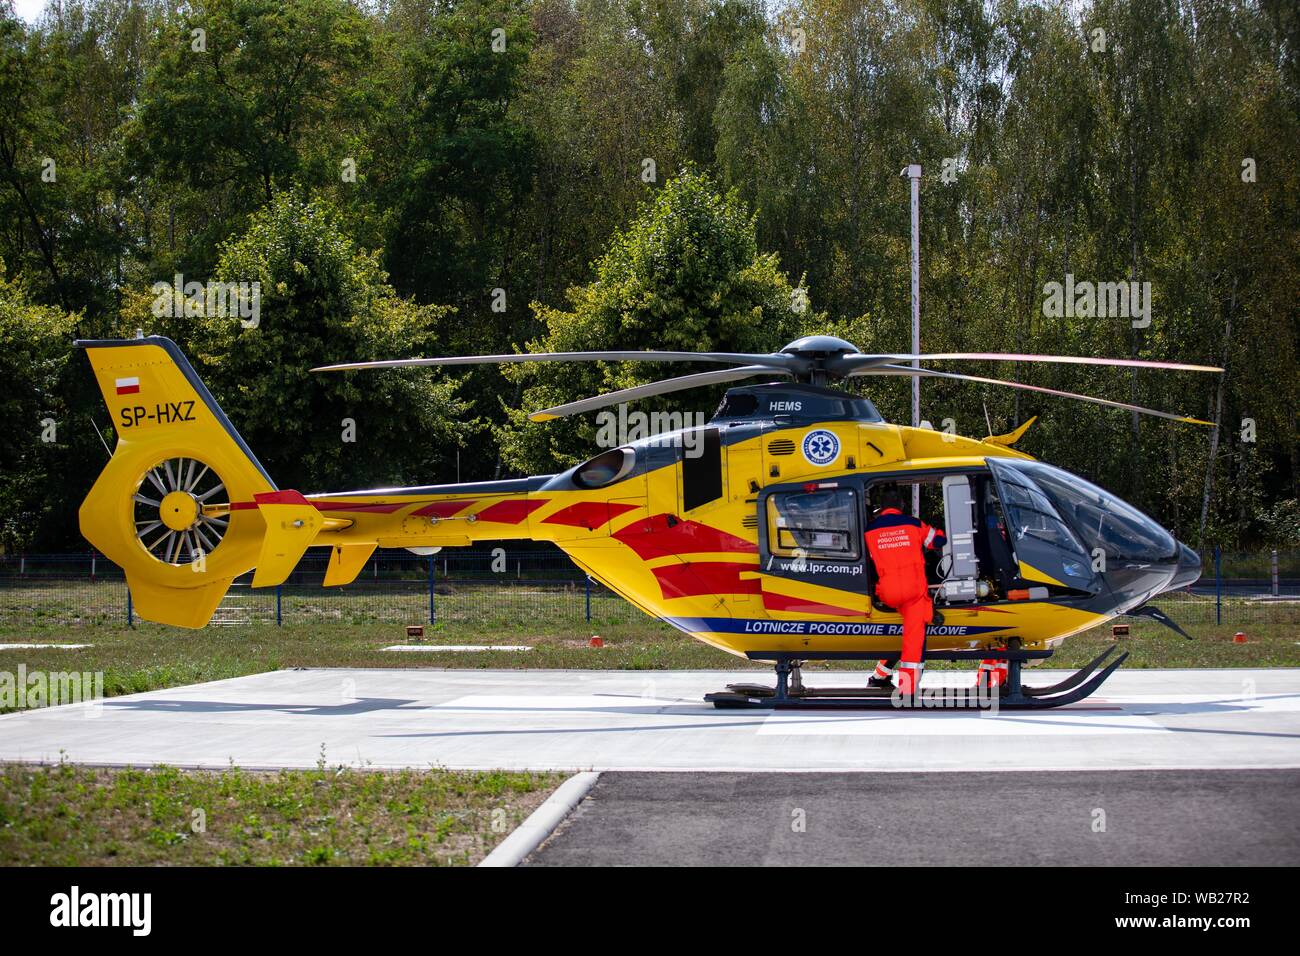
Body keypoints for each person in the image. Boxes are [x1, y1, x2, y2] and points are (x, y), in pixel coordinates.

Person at [864, 484, 946, 697]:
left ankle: (880, 675)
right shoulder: (913, 524)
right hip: (913, 593)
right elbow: (938, 541)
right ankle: (908, 688)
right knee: (914, 638)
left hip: (887, 593)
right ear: (902, 506)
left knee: (902, 632)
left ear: (881, 508)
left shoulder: (870, 530)